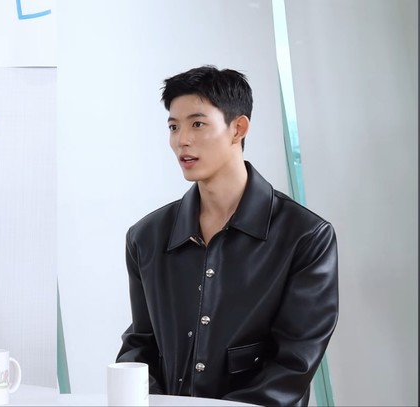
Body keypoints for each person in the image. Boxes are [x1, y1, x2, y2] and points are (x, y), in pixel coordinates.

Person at [116, 65, 339, 406]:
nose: (182, 140)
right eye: (173, 127)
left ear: (238, 128)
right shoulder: (146, 237)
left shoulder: (305, 237)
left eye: (197, 124)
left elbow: (293, 365)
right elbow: (139, 346)